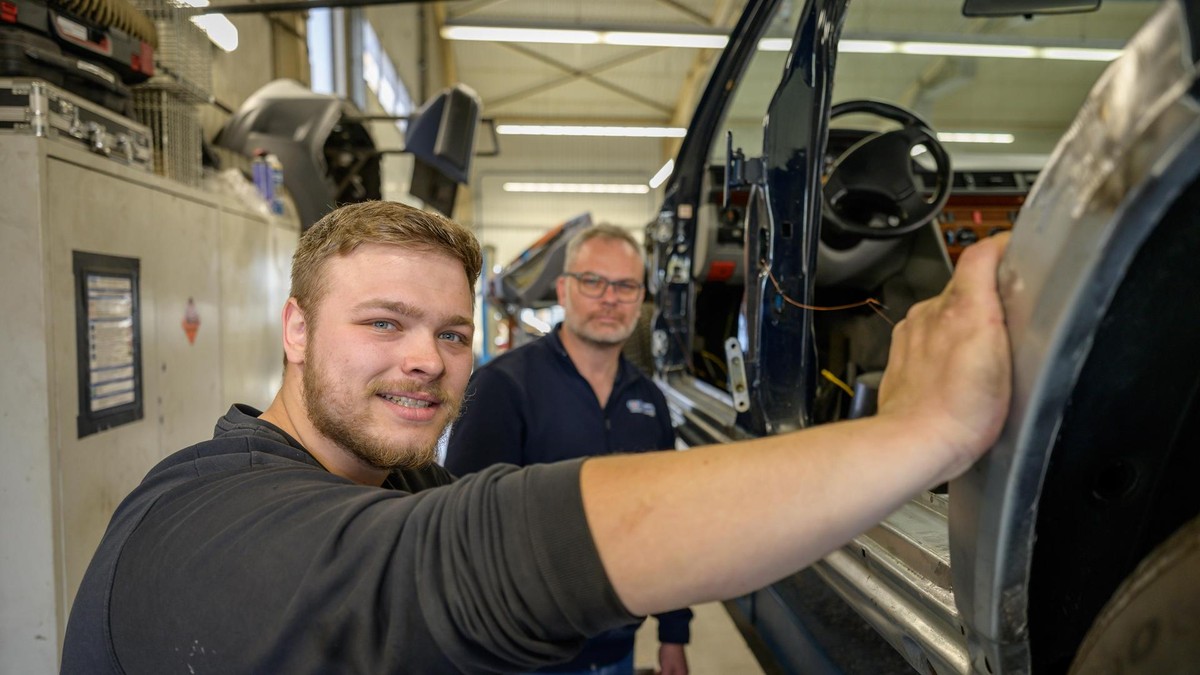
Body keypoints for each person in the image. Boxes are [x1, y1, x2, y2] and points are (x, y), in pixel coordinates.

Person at [61, 200, 1012, 674]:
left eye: (450, 333)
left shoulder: (396, 484)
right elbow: (489, 549)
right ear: (297, 329)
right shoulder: (201, 515)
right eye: (383, 323)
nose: (427, 360)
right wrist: (921, 431)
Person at [444, 224, 692, 675]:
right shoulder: (504, 386)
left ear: (641, 298)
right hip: (526, 654)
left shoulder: (649, 402)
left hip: (618, 647)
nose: (610, 298)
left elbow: (666, 523)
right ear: (563, 288)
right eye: (592, 281)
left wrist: (673, 635)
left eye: (625, 285)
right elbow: (461, 528)